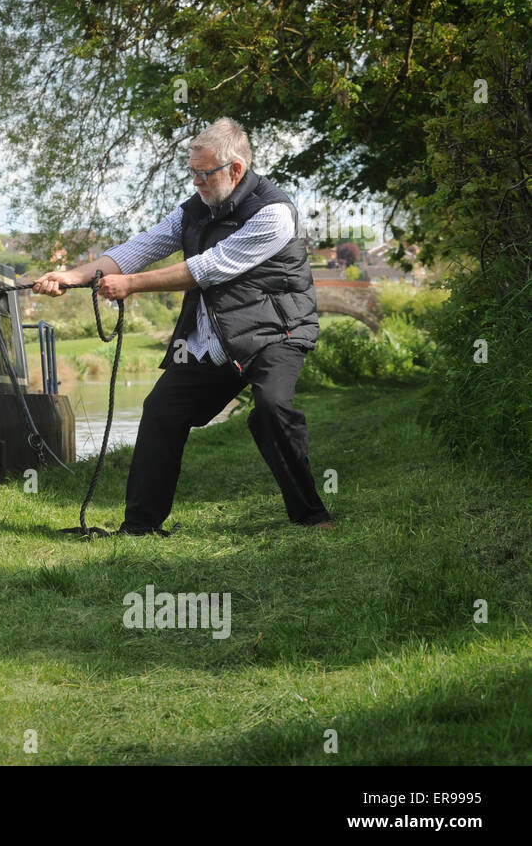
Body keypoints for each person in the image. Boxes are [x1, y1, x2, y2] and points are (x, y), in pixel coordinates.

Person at [35, 117, 333, 534]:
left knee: (270, 409)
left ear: (236, 170)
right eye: (191, 173)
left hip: (275, 333)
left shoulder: (274, 214)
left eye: (204, 173)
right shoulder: (194, 212)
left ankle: (312, 516)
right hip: (219, 340)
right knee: (161, 411)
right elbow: (140, 248)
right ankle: (140, 528)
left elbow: (207, 269)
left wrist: (131, 286)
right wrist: (74, 276)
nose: (196, 182)